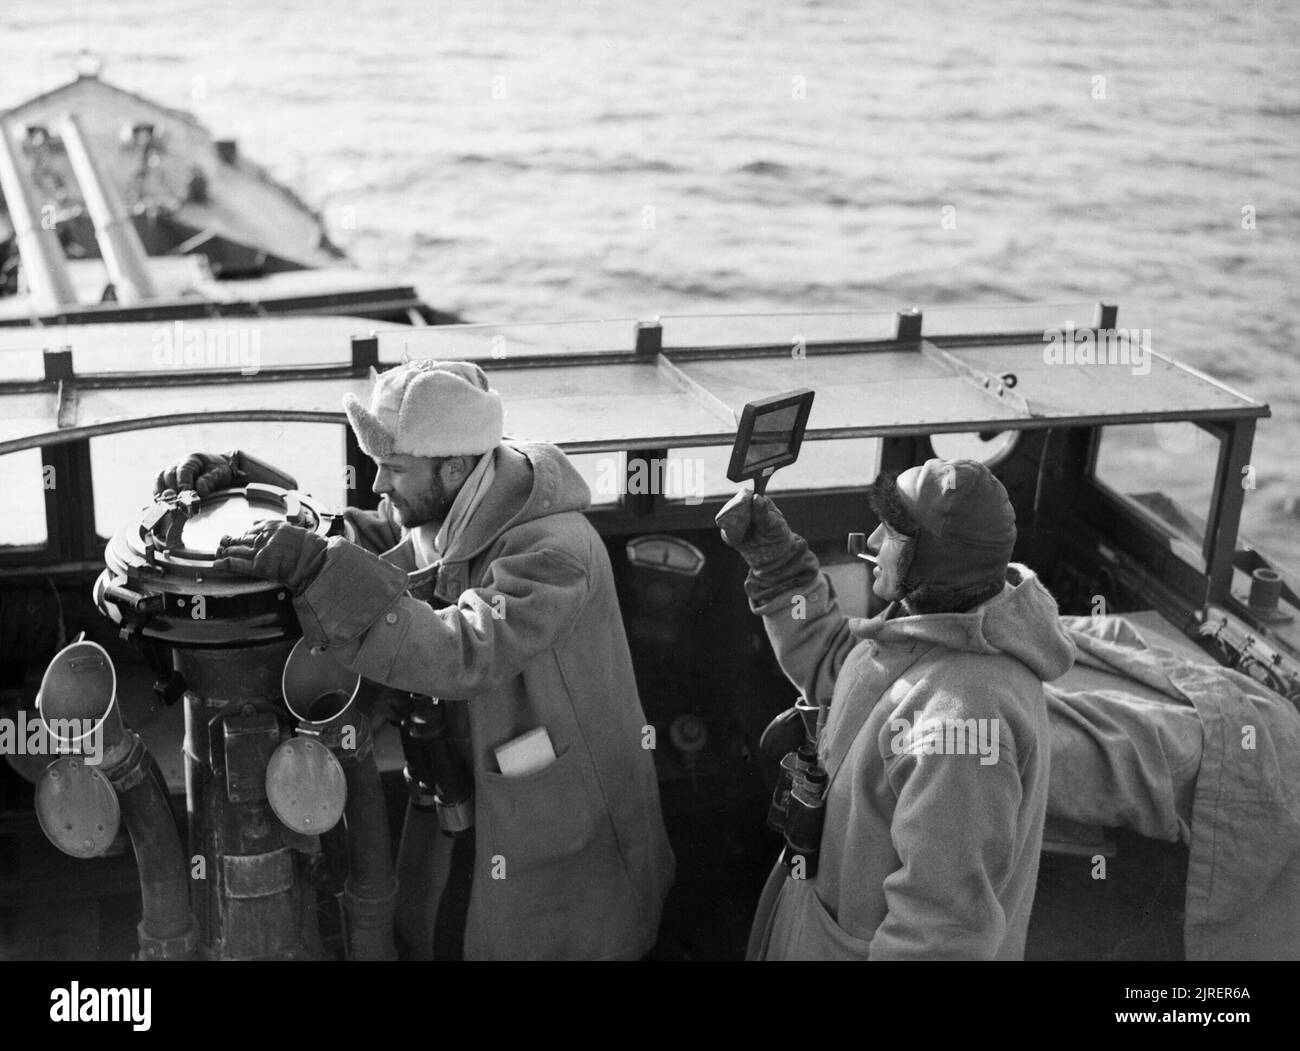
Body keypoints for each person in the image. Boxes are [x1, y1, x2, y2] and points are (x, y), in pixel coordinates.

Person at [156, 359, 674, 960]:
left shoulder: (556, 552)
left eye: (393, 469)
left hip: (563, 819)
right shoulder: (463, 499)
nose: (378, 485)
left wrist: (316, 568)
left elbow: (463, 651)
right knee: (447, 924)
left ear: (454, 465)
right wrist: (250, 485)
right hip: (470, 786)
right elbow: (384, 546)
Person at [716, 457, 1075, 960]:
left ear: (935, 559)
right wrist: (777, 565)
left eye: (893, 532)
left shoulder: (962, 731)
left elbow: (939, 935)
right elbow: (844, 671)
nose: (872, 542)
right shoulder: (926, 626)